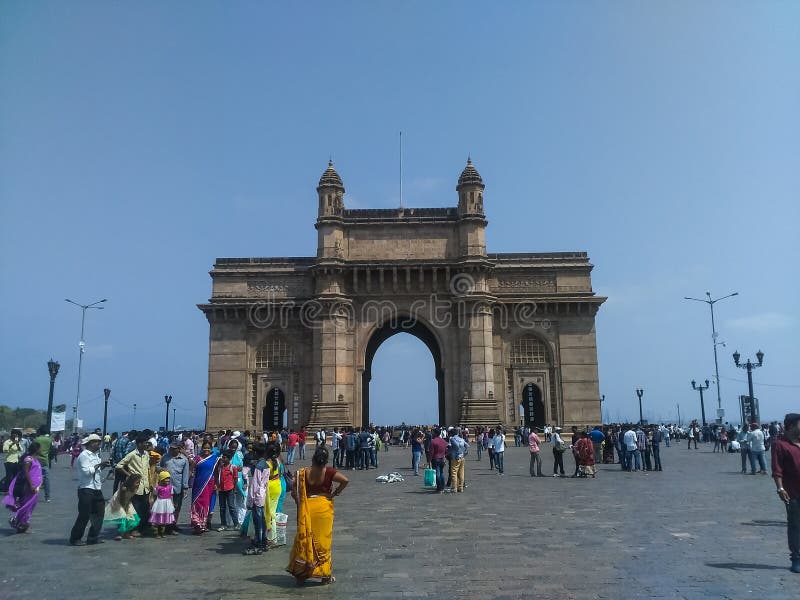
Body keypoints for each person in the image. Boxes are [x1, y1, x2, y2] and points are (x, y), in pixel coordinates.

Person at [286, 446, 348, 586]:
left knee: (305, 539)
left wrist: (300, 503)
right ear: (326, 460)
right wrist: (335, 493)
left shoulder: (303, 472)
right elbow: (345, 480)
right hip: (323, 508)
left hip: (307, 507)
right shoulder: (329, 472)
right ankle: (325, 575)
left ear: (313, 458)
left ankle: (301, 574)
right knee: (323, 542)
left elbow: (294, 491)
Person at [771, 413, 800, 574]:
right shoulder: (780, 444)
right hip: (793, 492)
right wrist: (780, 489)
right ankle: (796, 557)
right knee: (795, 525)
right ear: (791, 426)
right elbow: (777, 470)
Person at [69, 434, 110, 545]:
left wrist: (102, 465)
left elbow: (96, 470)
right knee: (84, 514)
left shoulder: (96, 455)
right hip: (86, 488)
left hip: (96, 487)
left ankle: (93, 537)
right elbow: (87, 472)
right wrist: (99, 464)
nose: (99, 444)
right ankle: (75, 538)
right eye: (97, 442)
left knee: (100, 513)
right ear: (91, 443)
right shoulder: (84, 455)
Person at [115, 434, 153, 534]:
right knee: (136, 509)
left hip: (145, 486)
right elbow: (119, 466)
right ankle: (133, 529)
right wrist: (129, 475)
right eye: (145, 443)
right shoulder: (132, 455)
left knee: (145, 508)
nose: (147, 445)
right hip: (135, 486)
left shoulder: (146, 454)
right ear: (139, 444)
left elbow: (148, 469)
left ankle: (143, 527)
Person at [2, 440, 43, 533]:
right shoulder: (28, 460)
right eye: (40, 449)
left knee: (30, 505)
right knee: (26, 505)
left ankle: (22, 522)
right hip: (29, 487)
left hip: (35, 488)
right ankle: (16, 519)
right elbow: (26, 472)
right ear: (36, 450)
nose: (41, 450)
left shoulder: (34, 459)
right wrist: (31, 484)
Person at [244, 443, 269, 554]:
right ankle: (264, 541)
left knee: (257, 522)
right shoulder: (266, 464)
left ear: (256, 453)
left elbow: (255, 485)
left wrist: (250, 500)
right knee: (262, 520)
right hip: (262, 494)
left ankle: (258, 544)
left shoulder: (258, 466)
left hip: (257, 496)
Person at [190, 442, 220, 534]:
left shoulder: (215, 459)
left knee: (206, 503)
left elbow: (216, 472)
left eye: (208, 448)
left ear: (211, 449)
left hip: (209, 484)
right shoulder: (197, 458)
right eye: (204, 448)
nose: (206, 450)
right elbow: (191, 471)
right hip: (198, 484)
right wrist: (189, 482)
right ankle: (196, 524)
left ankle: (203, 524)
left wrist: (216, 484)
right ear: (201, 448)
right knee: (197, 503)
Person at [160, 442, 190, 532]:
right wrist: (161, 469)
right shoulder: (165, 457)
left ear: (179, 449)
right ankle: (167, 526)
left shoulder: (184, 460)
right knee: (166, 507)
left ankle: (173, 524)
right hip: (165, 487)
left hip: (178, 487)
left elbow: (185, 474)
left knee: (176, 507)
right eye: (171, 448)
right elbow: (158, 467)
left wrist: (185, 487)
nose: (172, 450)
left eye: (174, 448)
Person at [104, 473, 141, 540]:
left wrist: (128, 506)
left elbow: (130, 497)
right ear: (131, 482)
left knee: (131, 517)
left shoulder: (136, 487)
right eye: (137, 482)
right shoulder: (124, 488)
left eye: (139, 482)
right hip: (118, 502)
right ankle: (118, 534)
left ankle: (127, 533)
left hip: (127, 501)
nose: (138, 484)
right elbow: (121, 500)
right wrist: (124, 509)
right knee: (122, 517)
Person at [214, 449, 240, 531]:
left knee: (231, 507)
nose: (223, 459)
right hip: (221, 489)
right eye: (223, 457)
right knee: (222, 508)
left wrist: (235, 489)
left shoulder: (233, 467)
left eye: (225, 458)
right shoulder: (220, 467)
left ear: (229, 459)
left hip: (230, 489)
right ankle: (223, 524)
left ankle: (236, 524)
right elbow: (216, 475)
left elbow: (235, 479)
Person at [149, 471, 176, 537]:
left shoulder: (170, 487)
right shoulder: (158, 488)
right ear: (161, 479)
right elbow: (154, 495)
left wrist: (172, 504)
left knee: (164, 519)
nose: (167, 480)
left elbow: (171, 496)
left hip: (167, 504)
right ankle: (156, 533)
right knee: (158, 519)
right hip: (160, 504)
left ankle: (162, 533)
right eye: (166, 479)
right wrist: (153, 504)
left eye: (168, 479)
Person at [33, 425, 53, 502]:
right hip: (45, 461)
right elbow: (51, 450)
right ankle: (47, 497)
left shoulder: (36, 439)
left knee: (35, 478)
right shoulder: (49, 440)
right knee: (46, 480)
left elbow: (33, 449)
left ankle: (33, 495)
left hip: (36, 461)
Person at [1, 429, 23, 493]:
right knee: (9, 477)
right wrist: (13, 443)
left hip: (16, 461)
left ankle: (13, 489)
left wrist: (17, 444)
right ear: (12, 435)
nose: (16, 436)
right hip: (9, 462)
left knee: (15, 476)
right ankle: (7, 490)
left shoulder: (17, 442)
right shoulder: (7, 442)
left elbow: (20, 450)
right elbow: (5, 450)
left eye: (17, 435)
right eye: (15, 434)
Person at [448, 428, 469, 492]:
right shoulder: (461, 439)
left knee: (454, 472)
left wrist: (450, 447)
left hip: (455, 457)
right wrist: (464, 452)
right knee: (461, 473)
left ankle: (454, 487)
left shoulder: (452, 439)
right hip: (462, 457)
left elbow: (456, 446)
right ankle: (461, 487)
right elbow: (467, 445)